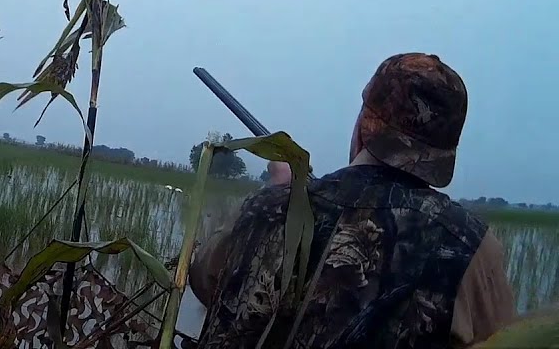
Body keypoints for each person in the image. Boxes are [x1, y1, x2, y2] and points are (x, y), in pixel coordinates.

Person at [189, 53, 516, 349]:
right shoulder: (470, 244)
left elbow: (204, 280)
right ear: (444, 155)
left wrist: (283, 195)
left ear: (363, 127)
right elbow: (504, 340)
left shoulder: (266, 208)